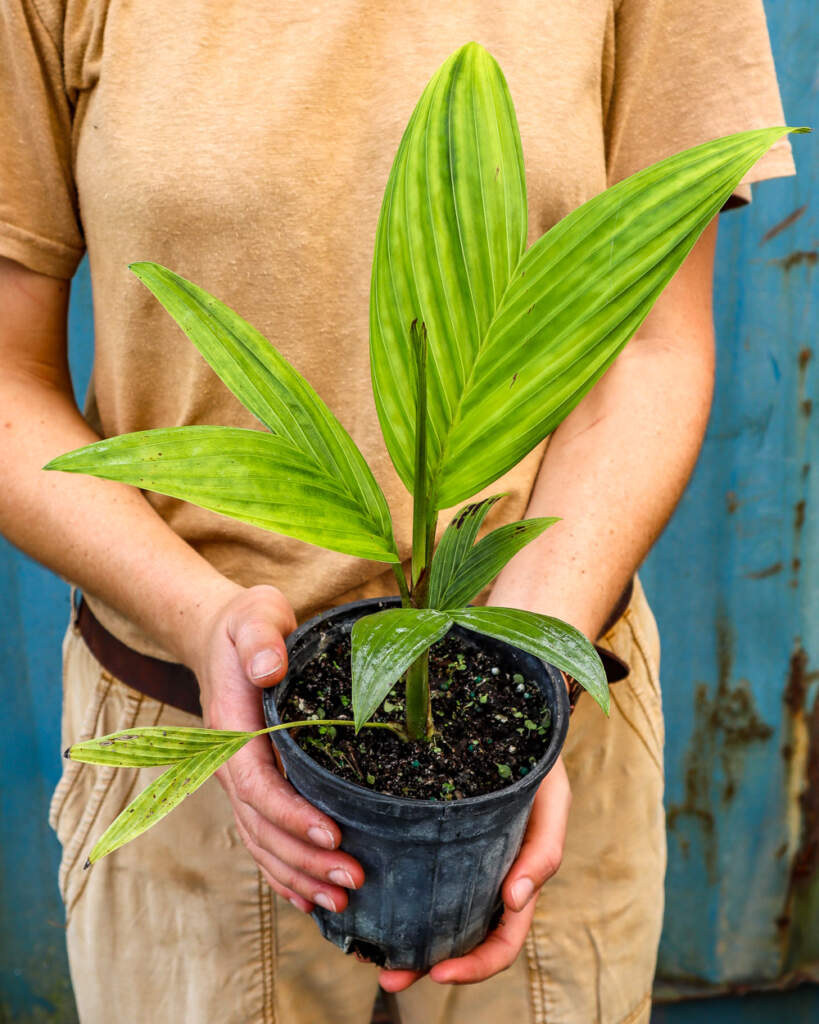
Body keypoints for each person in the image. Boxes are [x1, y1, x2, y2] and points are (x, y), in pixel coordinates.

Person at [0, 2, 796, 1022]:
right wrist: (206, 624)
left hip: (542, 727)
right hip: (189, 739)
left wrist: (532, 663)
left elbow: (649, 346)